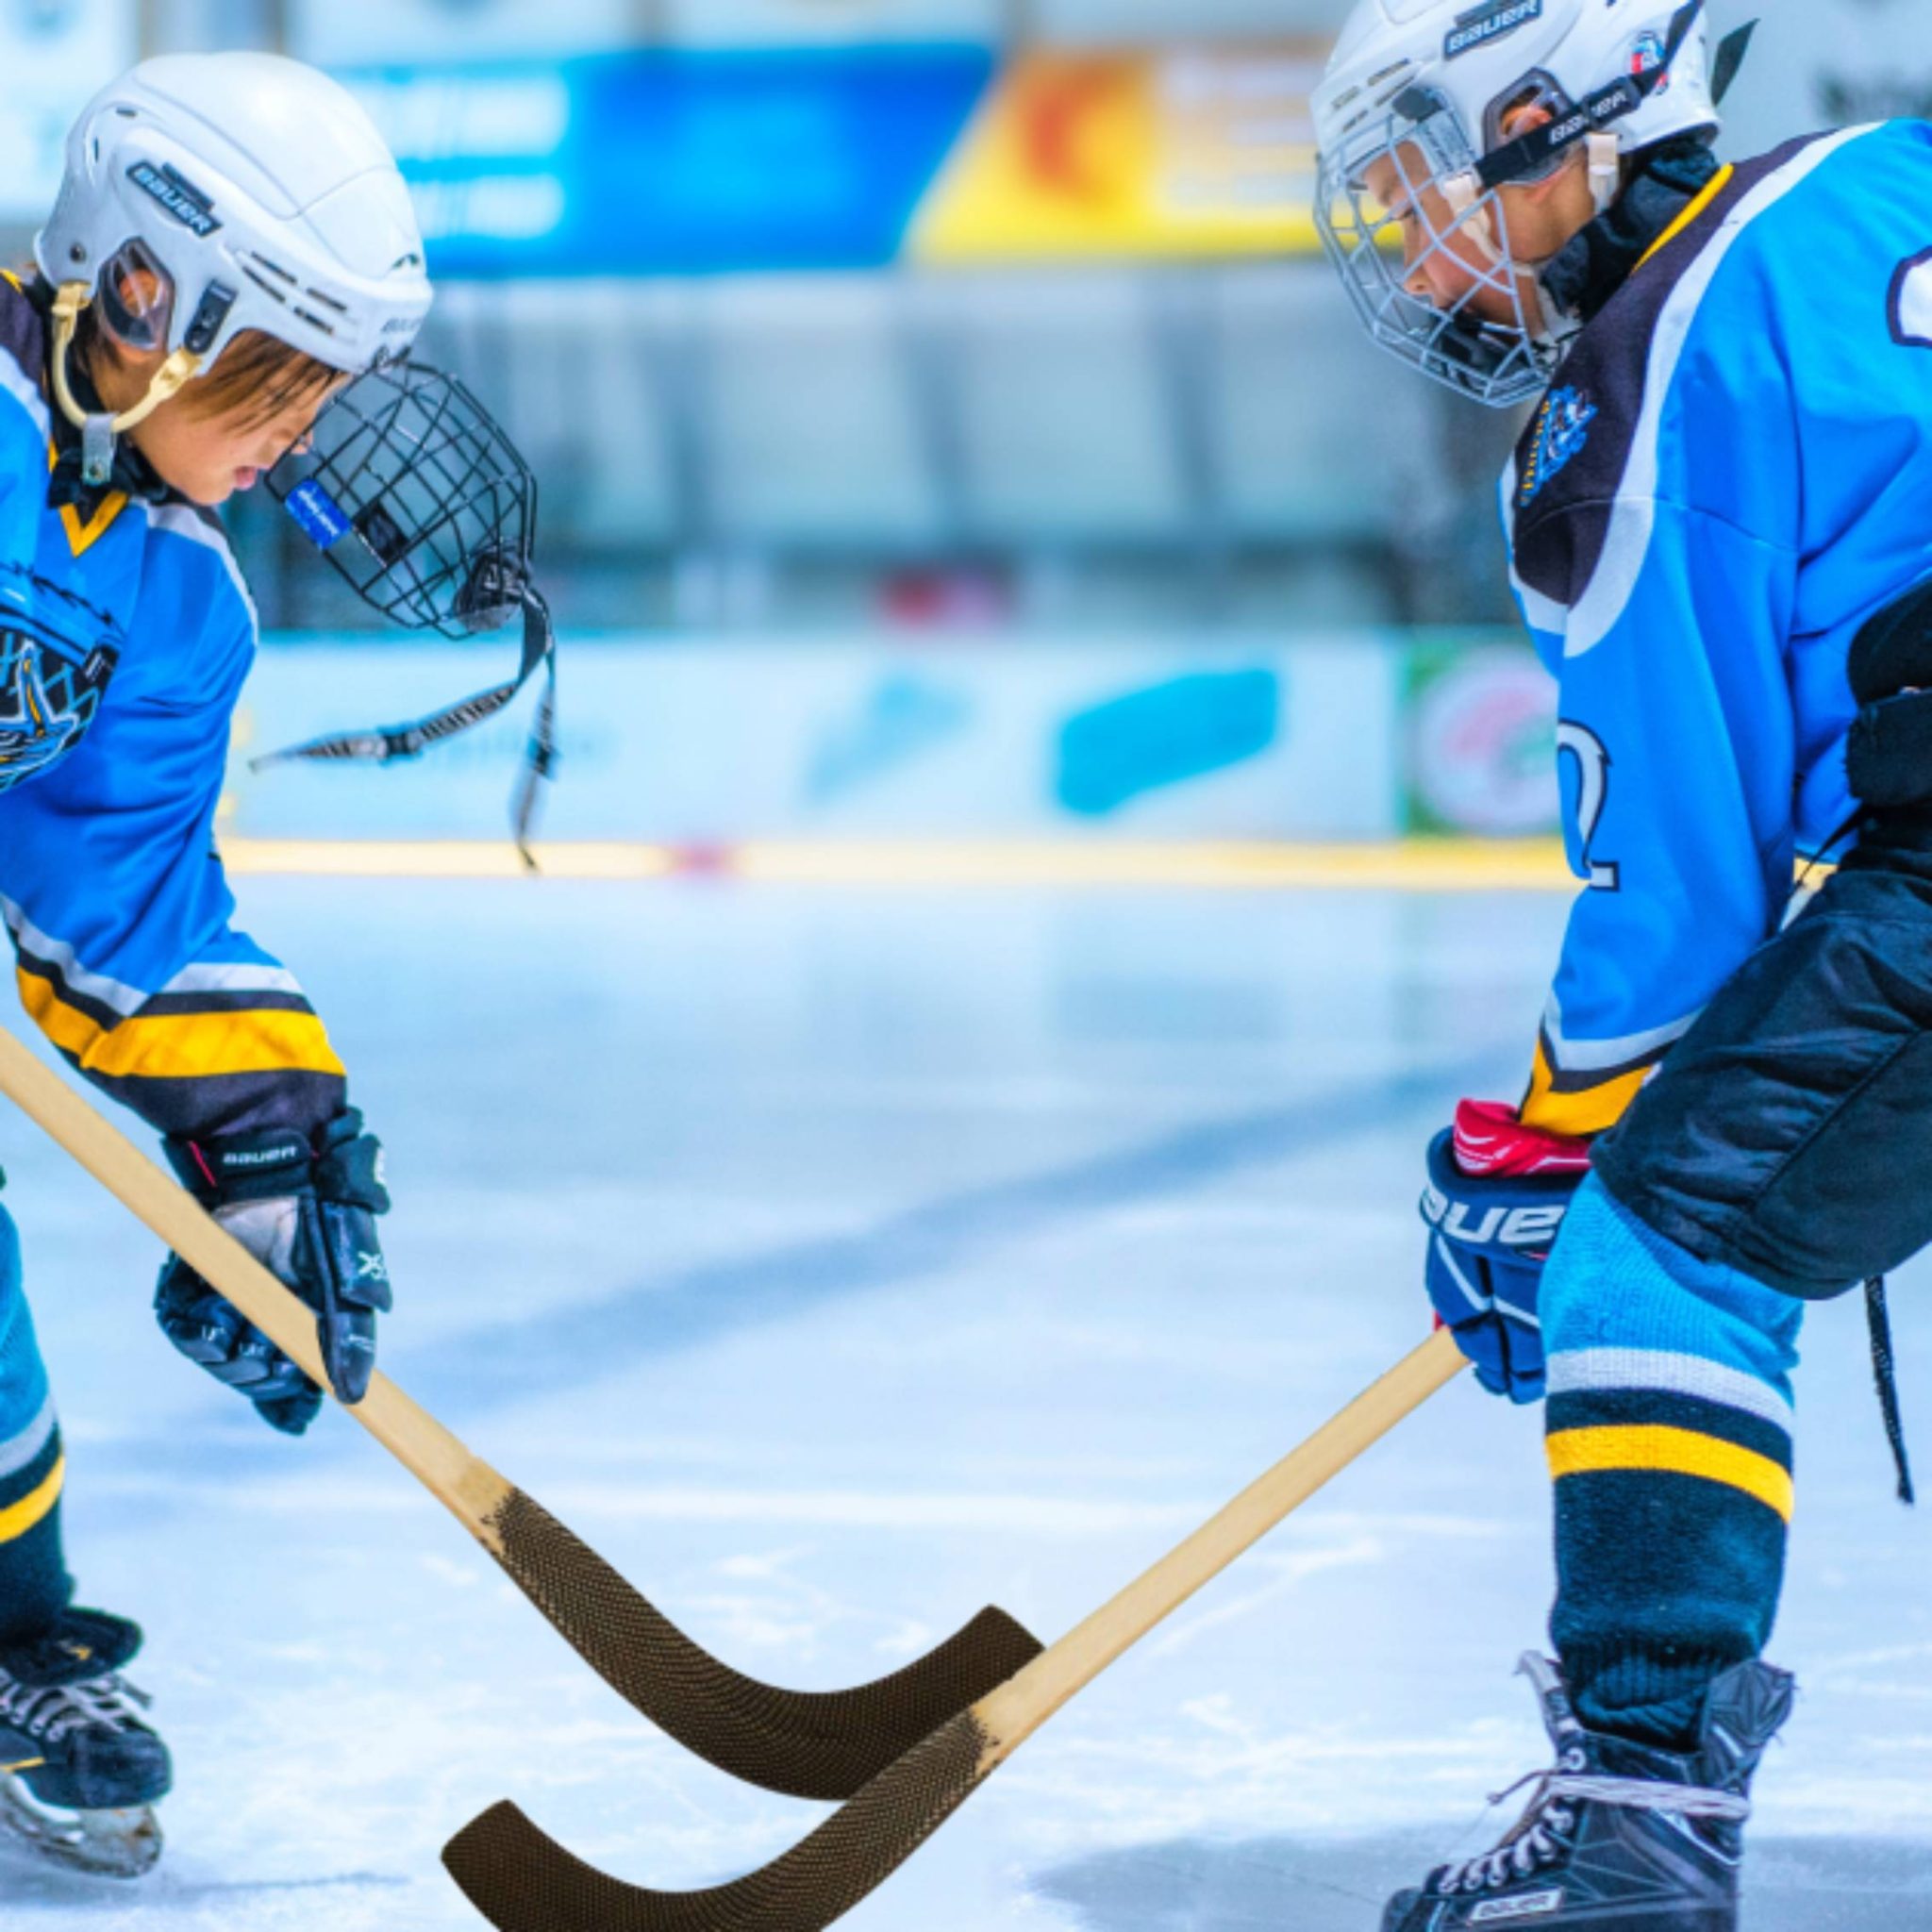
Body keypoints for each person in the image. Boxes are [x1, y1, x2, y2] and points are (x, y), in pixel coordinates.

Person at [1313, 3, 1932, 1925]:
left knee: (1661, 1249)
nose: (1418, 253)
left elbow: (1677, 893)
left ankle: (1637, 1812)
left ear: (1552, 117)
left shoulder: (1636, 369)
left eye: (1426, 190)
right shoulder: (1885, 176)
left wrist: (1547, 1152)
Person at [0, 51, 433, 1875]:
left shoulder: (179, 605)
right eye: (281, 379)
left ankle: (15, 1634)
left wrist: (262, 1141)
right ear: (149, 298)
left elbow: (113, 900)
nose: (301, 436)